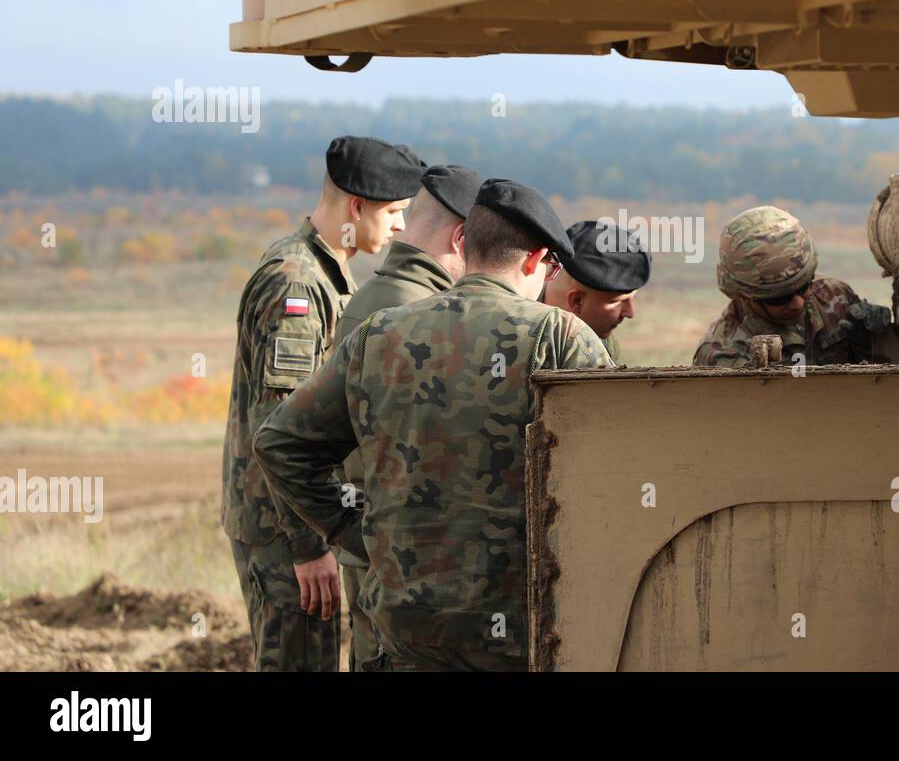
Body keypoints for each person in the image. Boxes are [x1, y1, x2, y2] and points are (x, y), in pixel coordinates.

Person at [253, 179, 613, 671]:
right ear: (536, 262)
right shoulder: (561, 337)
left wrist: (354, 530)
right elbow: (619, 467)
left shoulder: (379, 334)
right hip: (520, 634)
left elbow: (280, 443)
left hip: (405, 637)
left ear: (464, 244)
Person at [222, 135, 425, 671]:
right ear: (357, 207)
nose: (401, 226)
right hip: (284, 531)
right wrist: (308, 546)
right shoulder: (297, 283)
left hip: (295, 523)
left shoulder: (323, 270)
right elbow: (278, 427)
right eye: (395, 211)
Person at [330, 162, 482, 672]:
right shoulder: (416, 312)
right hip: (399, 550)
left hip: (384, 543)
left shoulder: (385, 297)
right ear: (461, 240)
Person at [692, 205, 890, 368]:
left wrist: (873, 343)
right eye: (779, 298)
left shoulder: (833, 296)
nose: (798, 302)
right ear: (744, 296)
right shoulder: (723, 356)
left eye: (804, 285)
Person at [541, 219, 650, 363]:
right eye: (617, 302)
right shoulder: (524, 335)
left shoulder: (602, 340)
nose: (630, 313)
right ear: (577, 301)